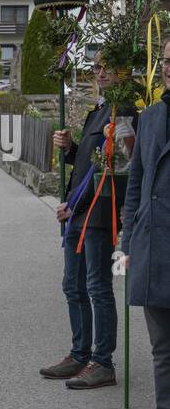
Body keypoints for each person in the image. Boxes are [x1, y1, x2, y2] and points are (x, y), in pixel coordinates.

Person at [42, 53, 136, 391]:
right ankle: (79, 353)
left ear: (121, 70)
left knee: (97, 287)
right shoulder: (100, 109)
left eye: (106, 67)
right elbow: (90, 159)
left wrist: (73, 205)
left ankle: (102, 362)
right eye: (96, 67)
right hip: (80, 208)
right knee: (73, 285)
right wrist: (71, 149)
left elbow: (121, 165)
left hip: (100, 209)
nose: (100, 73)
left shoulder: (122, 108)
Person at [118, 37, 170, 409]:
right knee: (162, 349)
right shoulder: (151, 117)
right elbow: (135, 183)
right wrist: (126, 242)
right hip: (153, 247)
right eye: (167, 62)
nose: (169, 68)